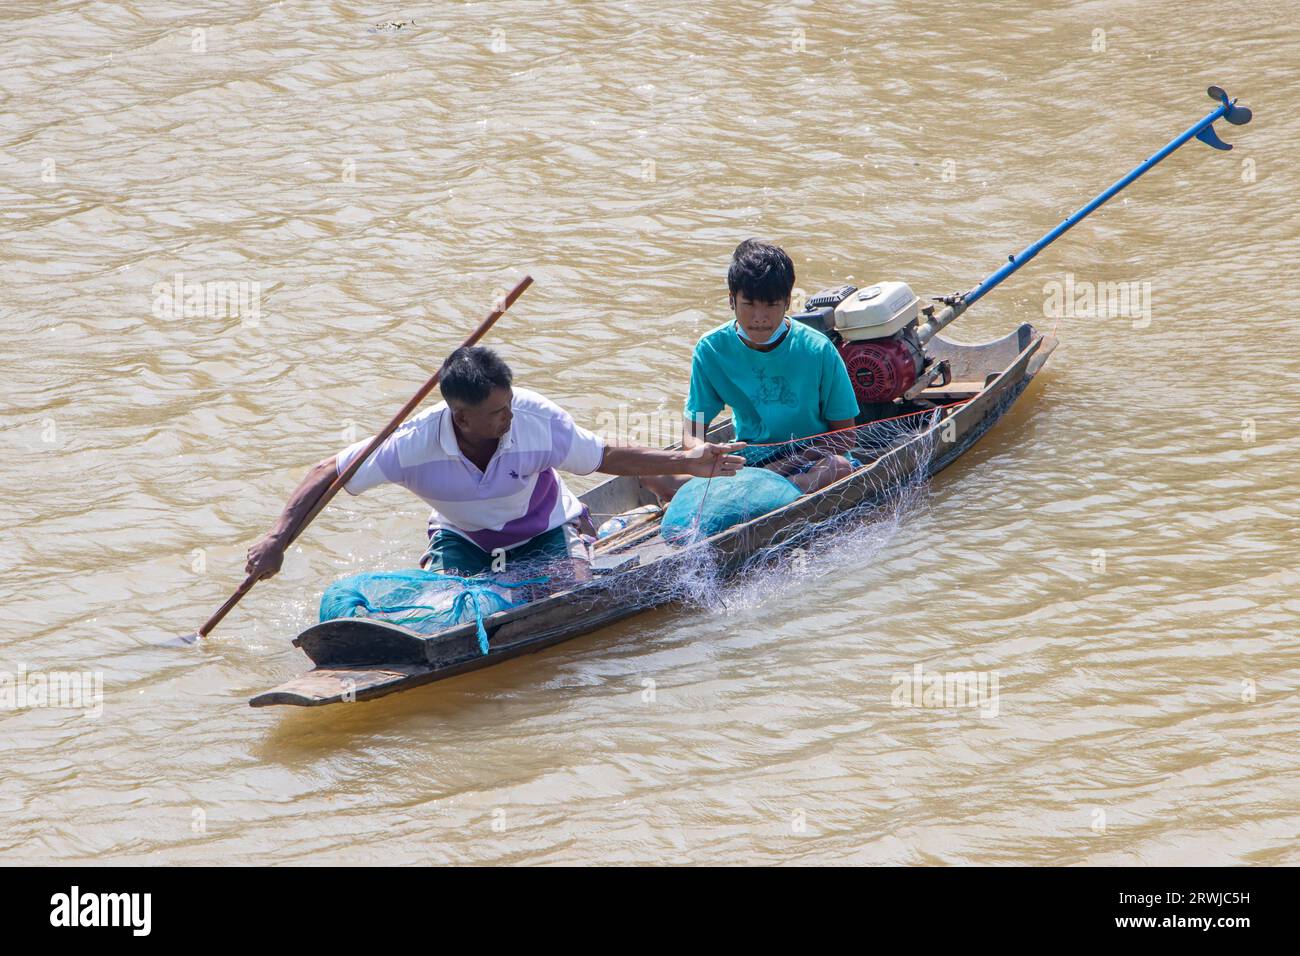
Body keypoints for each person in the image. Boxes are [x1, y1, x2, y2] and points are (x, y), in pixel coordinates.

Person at [244, 346, 745, 583]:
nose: (509, 416)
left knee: (572, 593)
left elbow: (603, 456)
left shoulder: (534, 418)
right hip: (464, 538)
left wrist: (687, 461)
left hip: (546, 528)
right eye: (496, 412)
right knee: (442, 608)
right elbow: (327, 472)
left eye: (509, 404)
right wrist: (277, 538)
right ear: (460, 418)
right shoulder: (412, 443)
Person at [642, 239, 860, 501]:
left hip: (808, 457)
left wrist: (776, 470)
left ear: (787, 302)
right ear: (731, 301)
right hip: (747, 460)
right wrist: (703, 453)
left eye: (771, 305)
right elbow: (692, 432)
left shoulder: (818, 350)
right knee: (648, 472)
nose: (760, 317)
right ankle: (760, 495)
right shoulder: (711, 349)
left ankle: (763, 494)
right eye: (749, 304)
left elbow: (844, 437)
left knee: (839, 468)